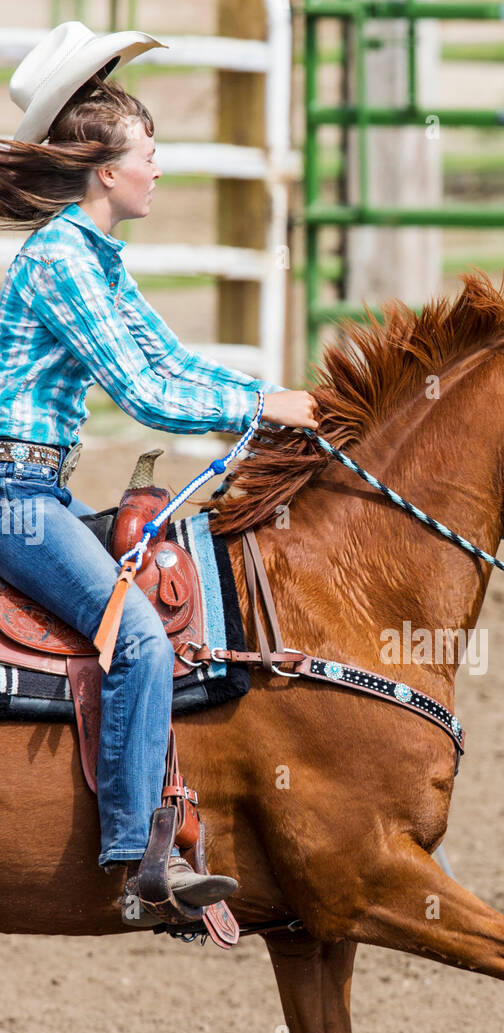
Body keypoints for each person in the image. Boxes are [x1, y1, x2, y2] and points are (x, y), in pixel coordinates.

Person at [0, 22, 318, 924]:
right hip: (13, 501)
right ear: (107, 170)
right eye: (151, 153)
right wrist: (262, 411)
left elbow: (173, 359)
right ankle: (137, 855)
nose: (161, 169)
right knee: (137, 636)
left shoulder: (93, 255)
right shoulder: (62, 259)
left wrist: (272, 395)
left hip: (34, 490)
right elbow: (144, 391)